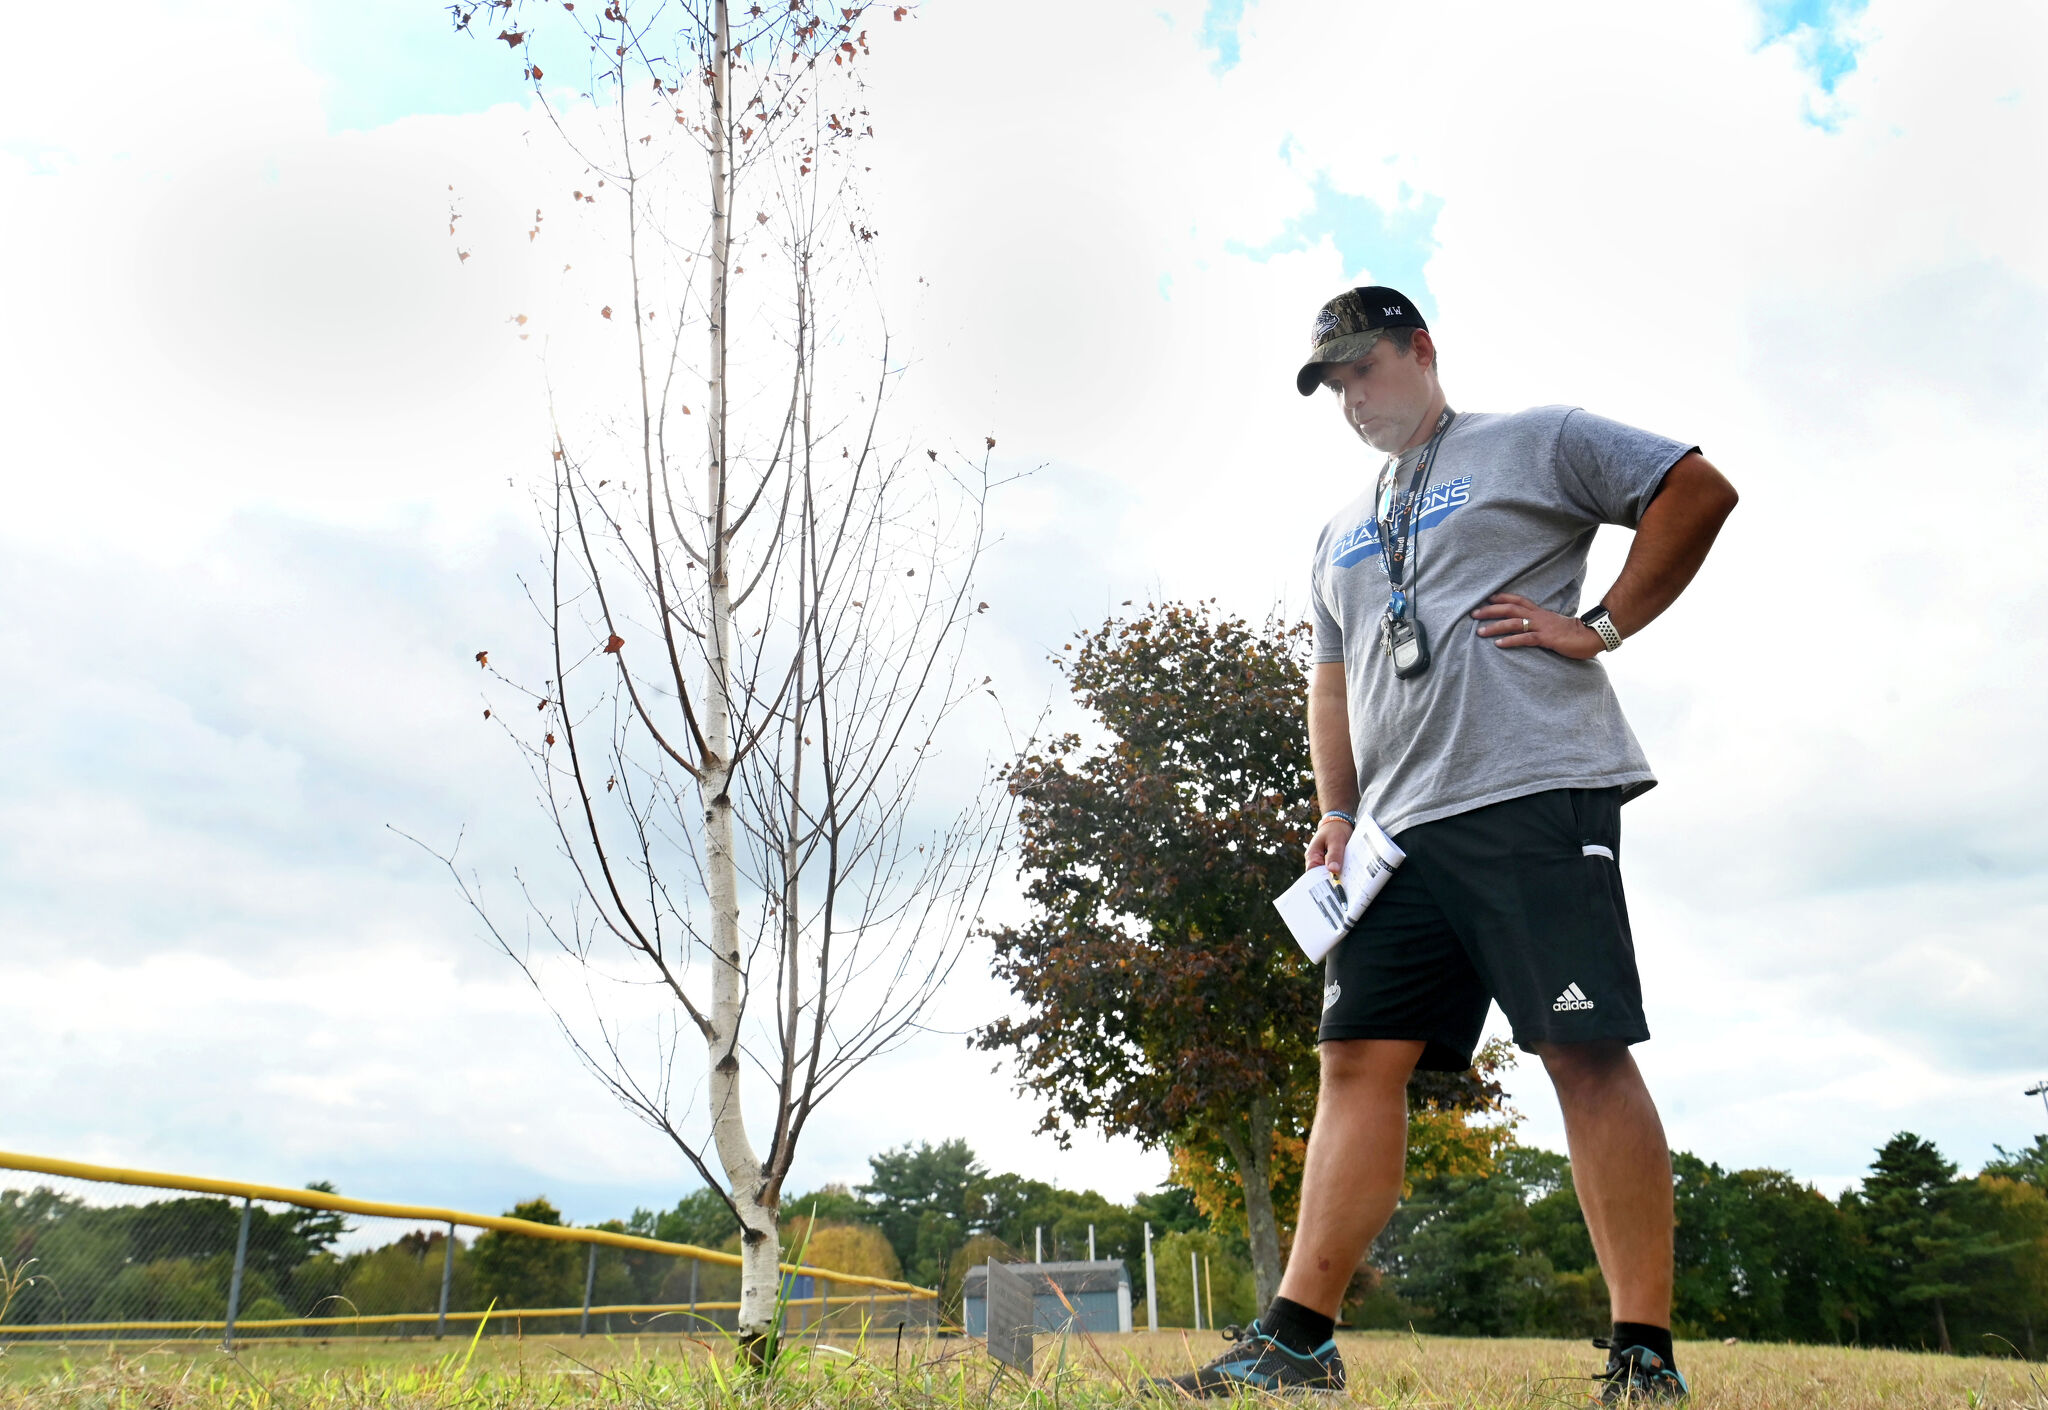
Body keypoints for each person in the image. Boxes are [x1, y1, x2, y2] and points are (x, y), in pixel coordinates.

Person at [1154, 288, 1737, 1403]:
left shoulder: (1536, 439)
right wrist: (1335, 809)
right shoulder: (1337, 530)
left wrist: (1602, 623)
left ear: (1418, 351)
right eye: (1331, 384)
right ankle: (1295, 1340)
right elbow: (1330, 678)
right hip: (1392, 835)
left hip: (1530, 791)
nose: (1350, 399)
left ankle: (1641, 1354)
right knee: (1354, 1057)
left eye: (1362, 370)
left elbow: (1694, 490)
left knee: (1579, 1048)